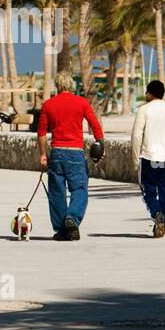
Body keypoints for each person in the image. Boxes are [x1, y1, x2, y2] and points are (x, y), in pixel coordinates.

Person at [37, 70, 104, 240]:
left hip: (57, 152)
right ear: (72, 85)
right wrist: (100, 146)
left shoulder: (48, 105)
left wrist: (43, 154)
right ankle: (72, 219)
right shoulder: (81, 102)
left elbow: (42, 133)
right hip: (76, 153)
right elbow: (95, 126)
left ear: (58, 85)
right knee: (79, 189)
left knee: (56, 192)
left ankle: (62, 230)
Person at [130, 79, 165, 238]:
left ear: (149, 93)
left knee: (148, 191)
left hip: (148, 158)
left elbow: (136, 136)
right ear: (163, 93)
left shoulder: (144, 110)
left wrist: (135, 160)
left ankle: (156, 214)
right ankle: (162, 223)